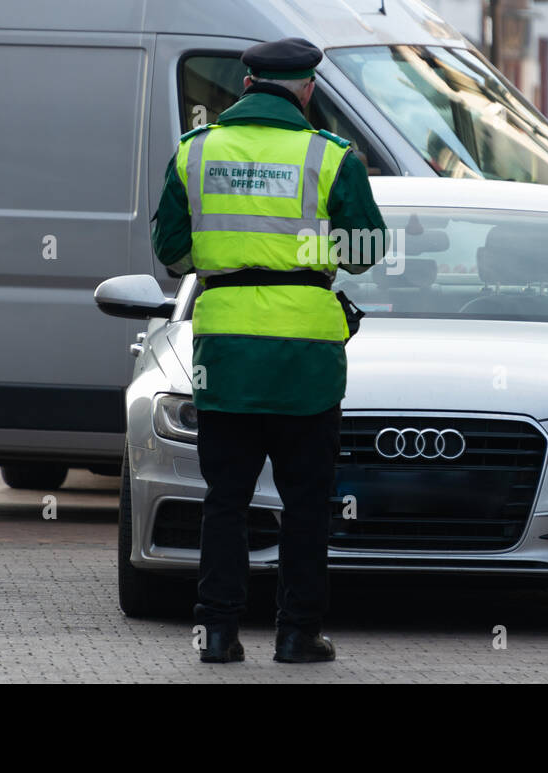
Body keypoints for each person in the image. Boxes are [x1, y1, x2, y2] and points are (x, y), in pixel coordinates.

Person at [153, 37, 388, 662]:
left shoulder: (195, 152)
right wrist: (310, 256)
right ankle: (296, 634)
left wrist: (226, 262)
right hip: (305, 357)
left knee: (225, 500)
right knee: (306, 502)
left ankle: (219, 635)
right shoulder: (330, 157)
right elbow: (365, 251)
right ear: (307, 88)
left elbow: (171, 251)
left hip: (224, 352)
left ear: (247, 82)